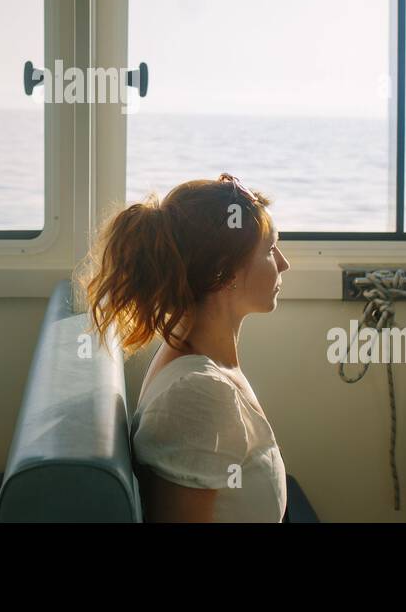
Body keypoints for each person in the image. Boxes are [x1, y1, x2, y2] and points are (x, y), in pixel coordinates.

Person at [75, 173, 290, 522]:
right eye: (269, 249)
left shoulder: (197, 357)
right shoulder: (200, 394)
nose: (283, 263)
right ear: (225, 273)